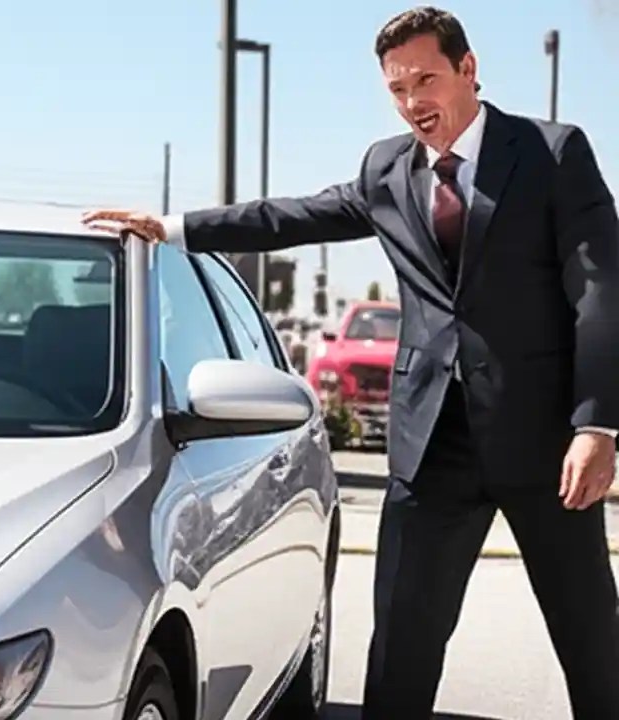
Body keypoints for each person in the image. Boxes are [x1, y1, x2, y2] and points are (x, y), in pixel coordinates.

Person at [83, 6, 619, 719]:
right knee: (401, 647)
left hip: (547, 445)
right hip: (431, 450)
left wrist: (598, 427)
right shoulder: (386, 168)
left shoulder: (551, 154)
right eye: (397, 89)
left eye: (425, 80)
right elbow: (295, 217)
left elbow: (600, 289)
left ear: (469, 69)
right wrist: (175, 229)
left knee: (591, 642)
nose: (412, 102)